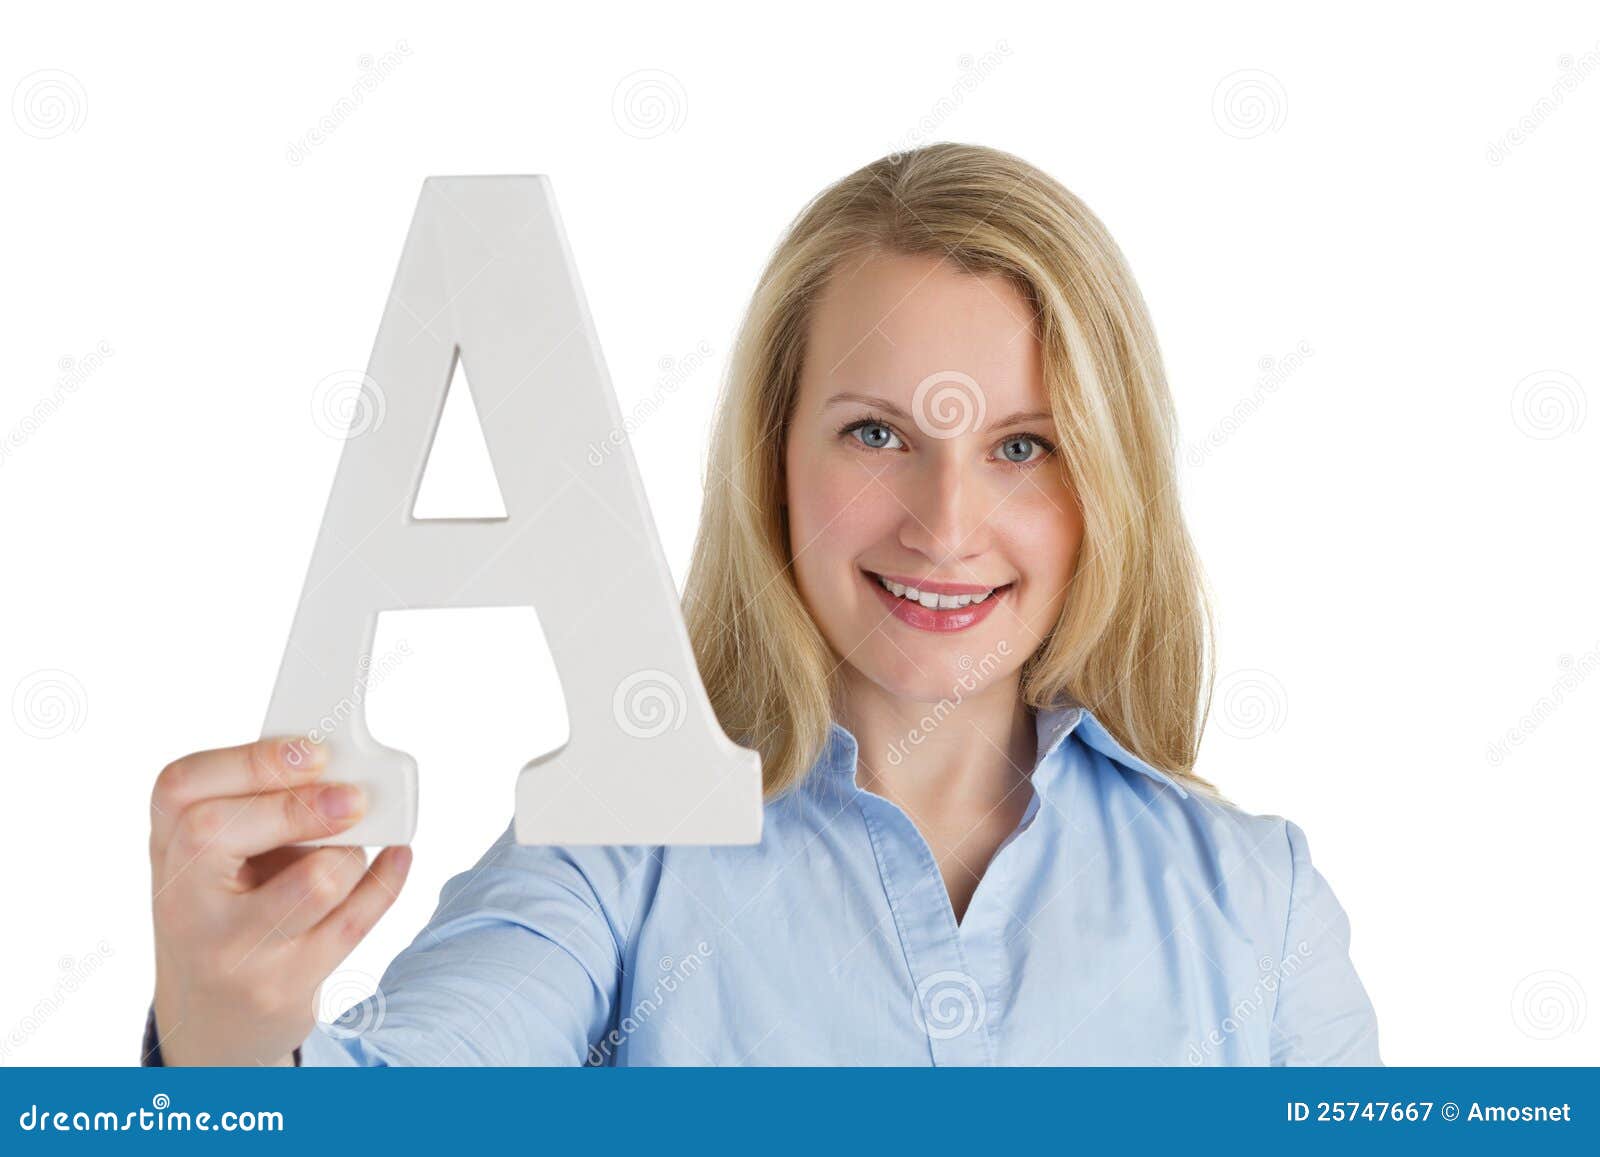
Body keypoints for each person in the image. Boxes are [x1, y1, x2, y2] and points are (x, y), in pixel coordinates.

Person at [143, 142, 1381, 1066]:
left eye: (1022, 447)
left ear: (1107, 481)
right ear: (772, 459)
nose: (943, 525)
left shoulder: (1254, 900)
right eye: (875, 432)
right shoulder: (610, 867)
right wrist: (224, 1033)